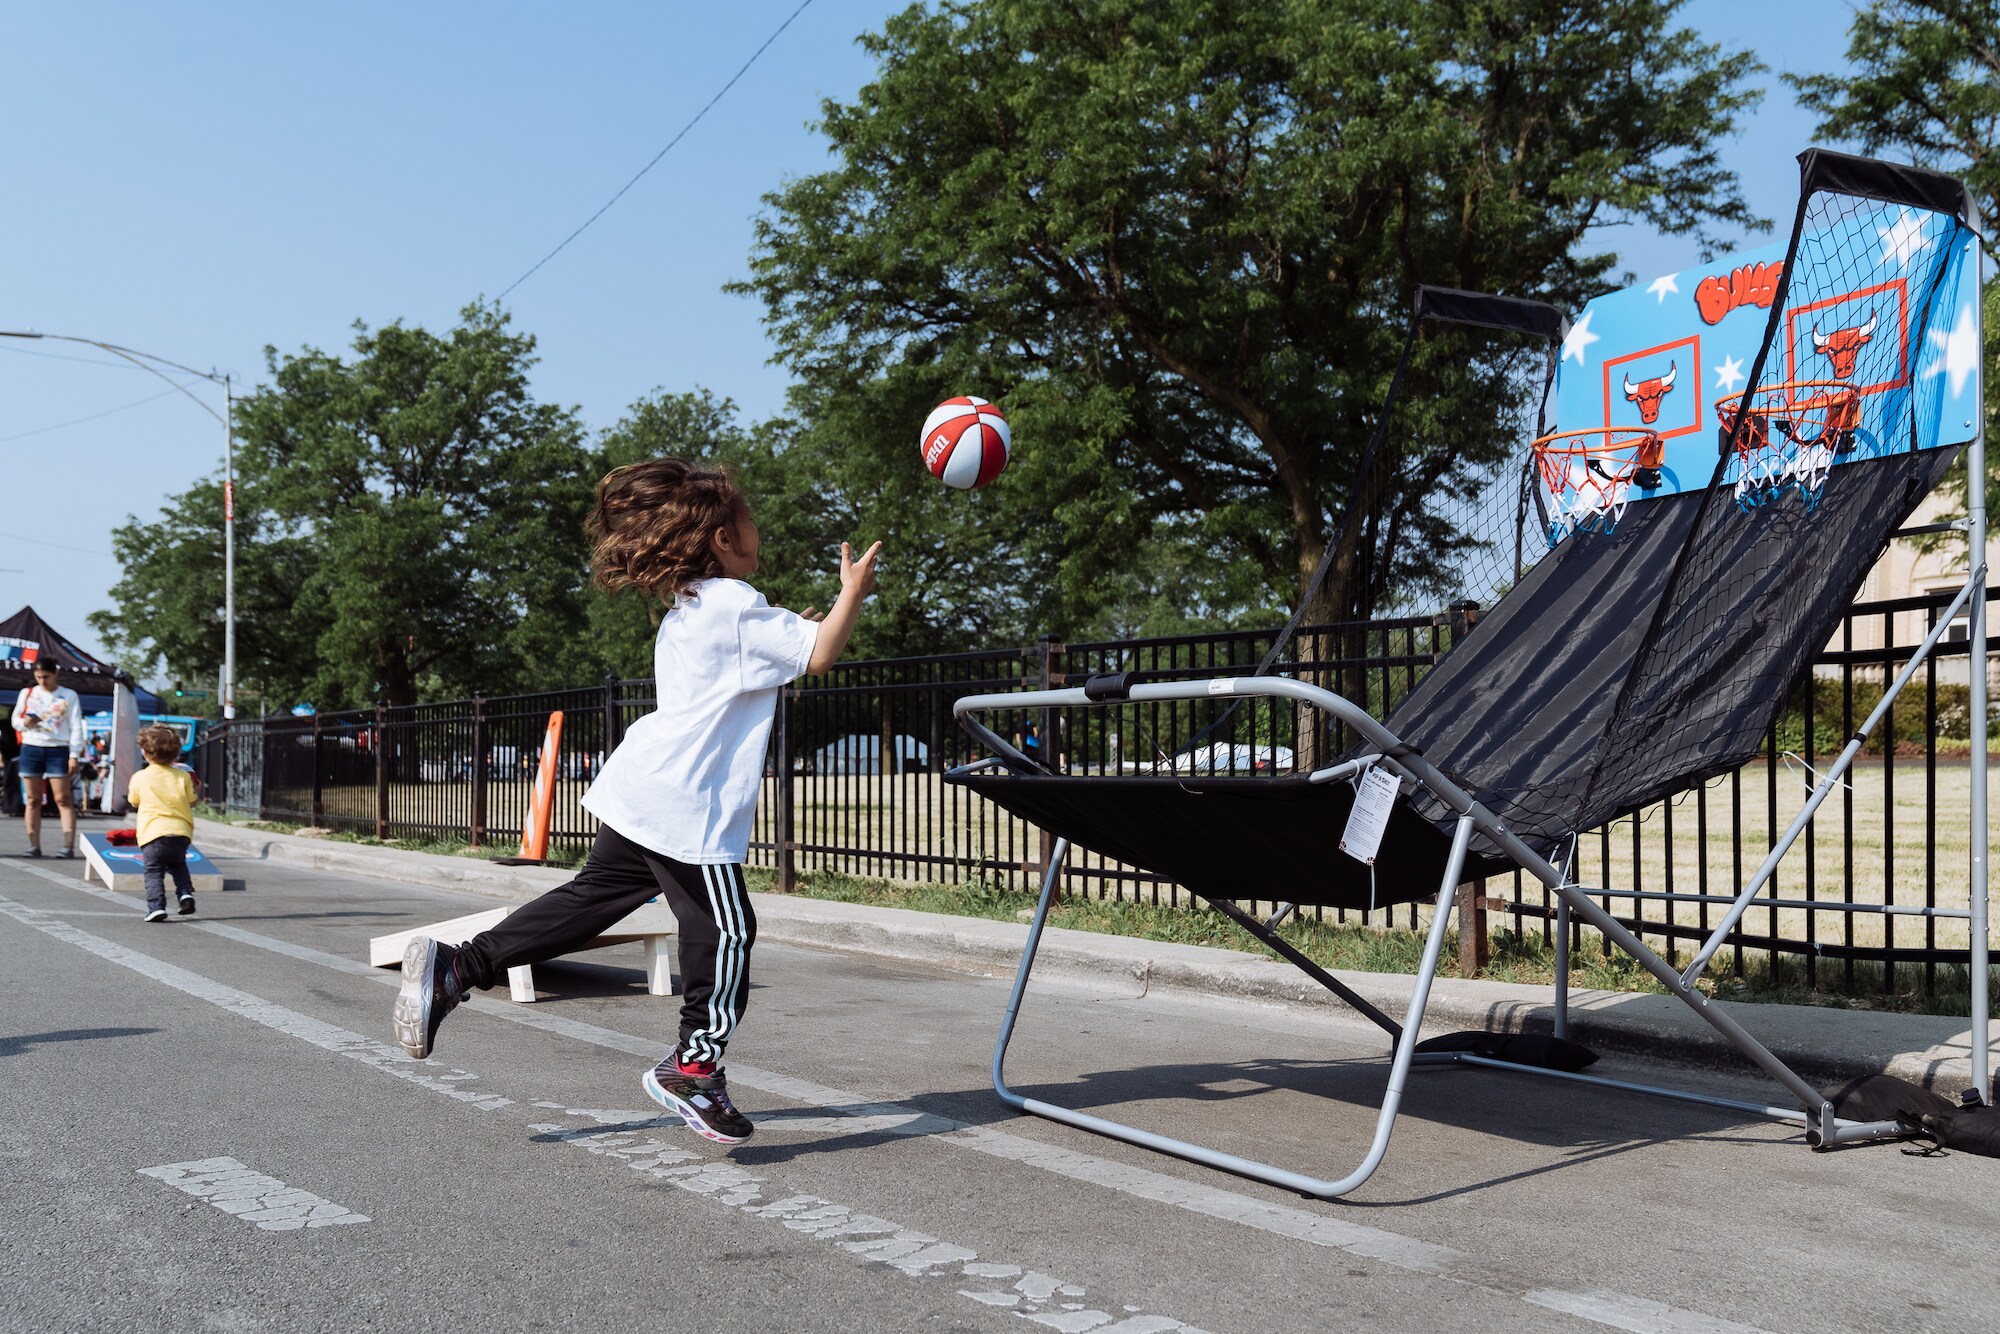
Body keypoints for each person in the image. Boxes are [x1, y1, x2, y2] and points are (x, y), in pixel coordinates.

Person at [394, 458, 882, 1144]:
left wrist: (796, 628)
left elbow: (765, 657)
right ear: (720, 538)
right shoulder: (736, 605)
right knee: (729, 929)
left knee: (589, 898)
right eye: (749, 521)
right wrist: (853, 590)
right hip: (686, 807)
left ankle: (458, 965)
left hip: (645, 789)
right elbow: (822, 654)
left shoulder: (690, 608)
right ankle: (694, 1065)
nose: (758, 531)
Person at [10, 660, 83, 857]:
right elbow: (15, 720)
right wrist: (25, 723)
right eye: (38, 677)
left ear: (55, 674)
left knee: (63, 798)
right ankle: (34, 845)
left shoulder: (69, 695)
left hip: (58, 748)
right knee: (33, 799)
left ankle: (68, 846)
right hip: (31, 746)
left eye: (46, 677)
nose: (42, 681)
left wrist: (74, 755)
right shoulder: (27, 693)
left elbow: (76, 725)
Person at [127, 723, 198, 922]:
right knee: (178, 864)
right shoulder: (183, 776)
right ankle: (185, 893)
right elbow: (192, 800)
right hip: (181, 832)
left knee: (153, 871)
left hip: (153, 833)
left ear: (145, 752)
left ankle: (156, 906)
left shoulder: (140, 777)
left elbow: (133, 801)